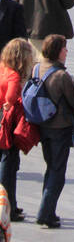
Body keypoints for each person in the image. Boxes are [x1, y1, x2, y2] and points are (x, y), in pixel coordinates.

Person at [33, 33, 74, 227]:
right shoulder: (61, 75)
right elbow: (73, 100)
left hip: (42, 125)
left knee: (51, 167)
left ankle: (49, 210)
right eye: (64, 48)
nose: (67, 51)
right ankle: (45, 213)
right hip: (60, 127)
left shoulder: (37, 68)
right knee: (57, 171)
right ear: (57, 51)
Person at [0, 38, 34, 221]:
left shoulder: (2, 69)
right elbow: (12, 96)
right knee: (9, 163)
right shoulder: (13, 75)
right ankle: (7, 208)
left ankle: (10, 204)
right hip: (7, 122)